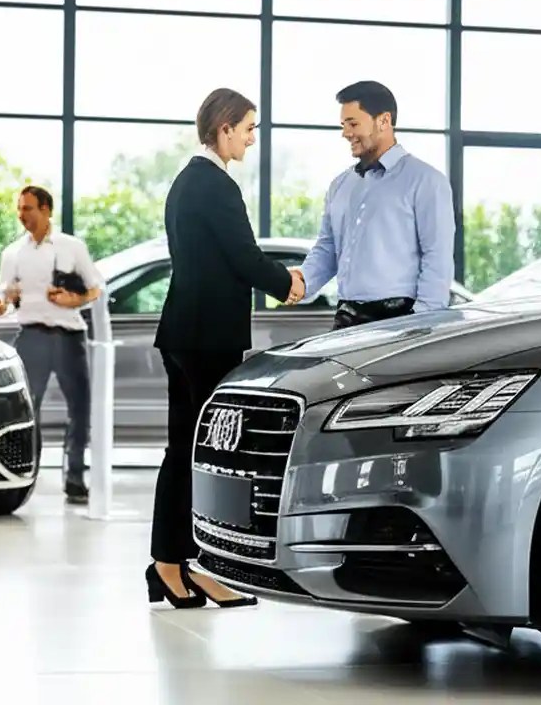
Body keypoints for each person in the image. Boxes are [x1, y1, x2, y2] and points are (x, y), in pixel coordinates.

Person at [146, 87, 304, 609]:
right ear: (225, 127)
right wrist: (290, 284)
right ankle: (173, 564)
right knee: (199, 454)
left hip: (185, 332)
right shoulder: (214, 185)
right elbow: (244, 257)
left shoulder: (188, 182)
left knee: (189, 451)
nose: (253, 139)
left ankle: (182, 564)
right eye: (249, 128)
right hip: (205, 337)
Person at [293, 80, 455, 330]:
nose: (345, 133)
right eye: (343, 125)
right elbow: (328, 248)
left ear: (384, 121)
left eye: (353, 123)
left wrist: (422, 323)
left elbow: (437, 257)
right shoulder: (340, 185)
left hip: (401, 319)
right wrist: (303, 281)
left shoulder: (426, 181)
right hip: (346, 316)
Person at [0, 186, 102, 505]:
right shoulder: (13, 253)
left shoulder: (72, 247)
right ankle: (26, 475)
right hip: (32, 336)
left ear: (46, 210)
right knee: (26, 411)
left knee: (79, 410)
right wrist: (1, 304)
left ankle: (75, 479)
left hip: (69, 337)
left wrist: (75, 299)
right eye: (19, 209)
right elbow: (7, 294)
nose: (22, 215)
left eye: (28, 208)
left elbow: (95, 289)